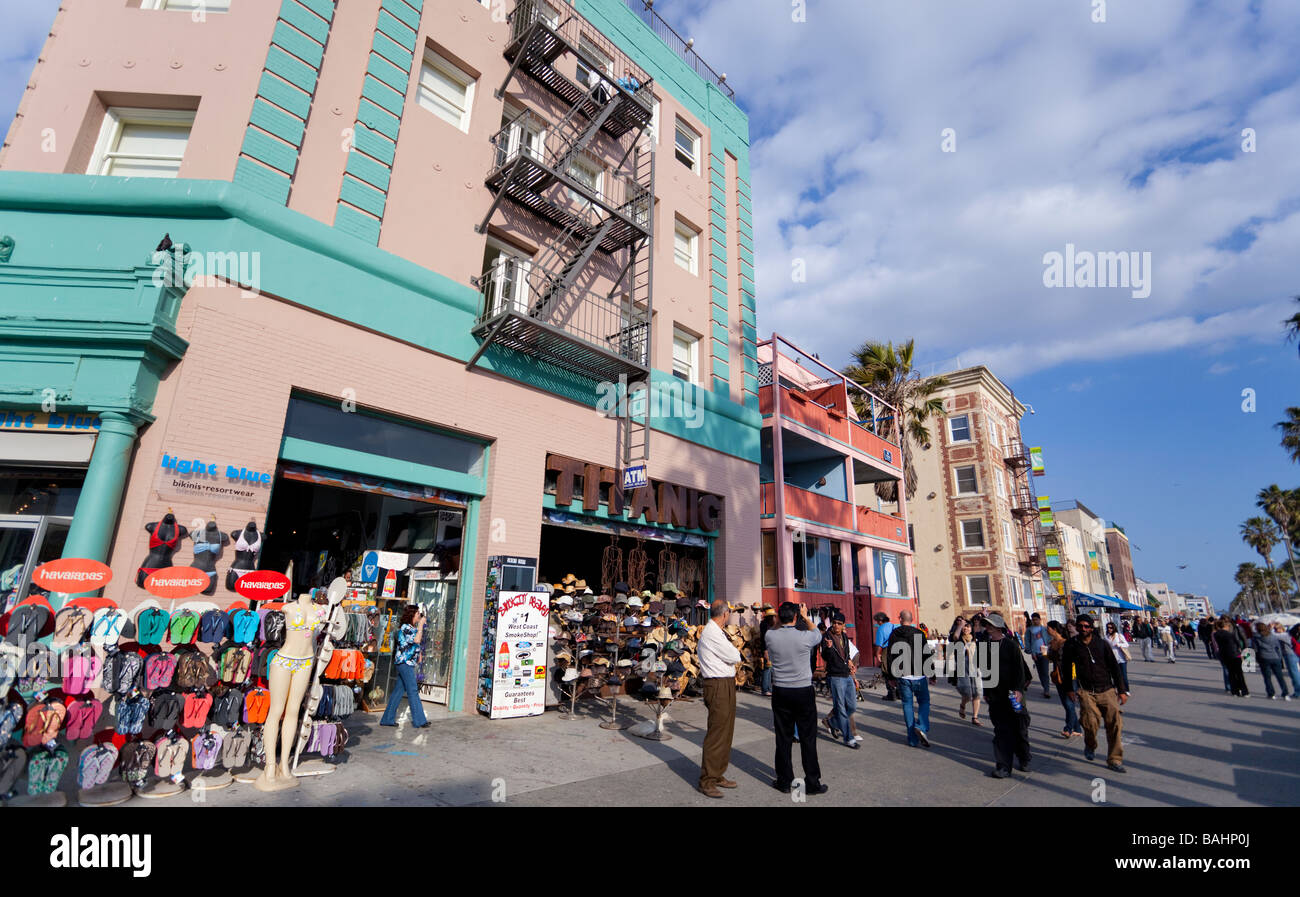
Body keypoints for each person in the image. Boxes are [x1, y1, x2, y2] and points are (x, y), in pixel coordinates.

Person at [765, 602, 829, 795]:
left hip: (781, 691)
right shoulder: (806, 637)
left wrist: (781, 618)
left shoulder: (770, 636)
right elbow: (817, 632)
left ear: (779, 617)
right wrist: (804, 616)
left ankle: (785, 781)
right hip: (803, 690)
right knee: (808, 738)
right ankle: (812, 782)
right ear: (795, 617)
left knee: (783, 738)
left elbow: (776, 627)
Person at [1061, 614, 1129, 772]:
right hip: (1086, 691)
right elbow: (1065, 668)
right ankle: (1090, 745)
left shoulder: (1102, 644)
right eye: (1080, 626)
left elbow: (1114, 667)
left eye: (1086, 626)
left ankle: (1115, 759)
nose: (1083, 629)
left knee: (1115, 724)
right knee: (1090, 724)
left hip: (1107, 689)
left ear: (1092, 628)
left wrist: (1122, 690)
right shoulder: (1072, 645)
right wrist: (1069, 689)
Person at [695, 598, 742, 798]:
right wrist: (733, 654)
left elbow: (731, 655)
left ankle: (717, 774)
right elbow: (735, 656)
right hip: (718, 684)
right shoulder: (712, 633)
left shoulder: (716, 632)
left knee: (726, 730)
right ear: (724, 614)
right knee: (717, 733)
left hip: (725, 683)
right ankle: (707, 779)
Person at [984, 613, 1030, 777]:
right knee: (1001, 731)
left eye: (990, 625)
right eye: (986, 625)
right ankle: (1003, 766)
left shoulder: (1011, 645)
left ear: (998, 627)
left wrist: (1018, 690)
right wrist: (986, 692)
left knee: (1019, 730)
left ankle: (1024, 757)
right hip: (996, 696)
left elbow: (1020, 670)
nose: (987, 628)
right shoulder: (985, 646)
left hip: (1013, 694)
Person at [885, 610, 935, 748]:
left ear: (900, 619)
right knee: (924, 702)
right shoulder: (919, 633)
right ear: (912, 619)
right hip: (919, 674)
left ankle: (912, 739)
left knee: (907, 705)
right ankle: (922, 726)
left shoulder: (894, 634)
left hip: (903, 675)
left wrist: (890, 676)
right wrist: (932, 674)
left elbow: (890, 656)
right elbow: (926, 653)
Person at [380, 605, 430, 728]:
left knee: (398, 691)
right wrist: (421, 626)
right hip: (404, 663)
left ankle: (387, 719)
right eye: (418, 613)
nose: (419, 615)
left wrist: (419, 655)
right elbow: (417, 640)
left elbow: (414, 644)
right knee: (413, 690)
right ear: (412, 615)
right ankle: (420, 721)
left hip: (407, 662)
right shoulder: (405, 627)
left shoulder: (411, 628)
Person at [820, 612, 862, 748]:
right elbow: (825, 656)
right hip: (835, 676)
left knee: (852, 706)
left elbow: (847, 655)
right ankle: (848, 738)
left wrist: (851, 665)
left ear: (843, 625)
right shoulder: (826, 637)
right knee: (841, 708)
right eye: (834, 623)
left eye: (839, 623)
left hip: (847, 675)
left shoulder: (844, 636)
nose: (836, 625)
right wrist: (829, 648)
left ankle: (833, 723)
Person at [1046, 621, 1082, 738]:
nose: (1047, 630)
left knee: (1068, 702)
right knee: (1066, 704)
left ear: (1054, 629)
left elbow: (1070, 660)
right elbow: (1051, 659)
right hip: (1058, 676)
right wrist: (1046, 652)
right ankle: (1077, 729)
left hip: (1070, 675)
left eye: (1048, 628)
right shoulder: (1052, 642)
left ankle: (1068, 728)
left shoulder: (1066, 643)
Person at [950, 619, 983, 727]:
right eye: (964, 627)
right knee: (967, 694)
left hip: (975, 668)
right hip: (963, 668)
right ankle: (963, 705)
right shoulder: (958, 639)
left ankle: (975, 717)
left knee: (977, 693)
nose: (966, 628)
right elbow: (955, 636)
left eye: (968, 626)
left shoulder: (976, 639)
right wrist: (960, 625)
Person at [1251, 622, 1292, 701]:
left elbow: (1255, 650)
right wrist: (1279, 657)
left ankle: (1271, 693)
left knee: (1267, 677)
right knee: (1280, 677)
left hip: (1264, 658)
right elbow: (1278, 647)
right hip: (1275, 657)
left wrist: (1257, 659)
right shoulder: (1272, 636)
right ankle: (1285, 694)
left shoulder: (1256, 638)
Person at [1214, 617, 1249, 697]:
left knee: (1231, 673)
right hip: (1235, 655)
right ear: (1226, 626)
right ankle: (1244, 691)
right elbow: (1237, 643)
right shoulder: (1230, 634)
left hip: (1224, 655)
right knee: (1239, 674)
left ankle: (1235, 691)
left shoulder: (1216, 634)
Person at [1024, 612, 1051, 698]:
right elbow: (1027, 641)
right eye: (1033, 620)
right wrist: (1031, 652)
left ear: (1040, 619)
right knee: (1040, 671)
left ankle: (1047, 690)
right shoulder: (1029, 630)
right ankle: (1044, 687)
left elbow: (1049, 639)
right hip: (1034, 651)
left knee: (1045, 671)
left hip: (1044, 650)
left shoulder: (1044, 629)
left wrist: (1049, 649)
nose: (1035, 621)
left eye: (1036, 619)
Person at [873, 612, 898, 701]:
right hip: (897, 649)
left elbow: (879, 644)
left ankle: (891, 694)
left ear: (880, 621)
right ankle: (900, 693)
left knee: (886, 671)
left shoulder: (881, 629)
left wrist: (877, 654)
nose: (876, 623)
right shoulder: (894, 626)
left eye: (877, 621)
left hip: (887, 650)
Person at [1105, 621, 1131, 693]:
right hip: (1112, 659)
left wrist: (1119, 644)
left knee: (1123, 675)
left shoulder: (1119, 635)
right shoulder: (1106, 637)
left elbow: (1127, 644)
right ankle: (1117, 688)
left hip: (1121, 658)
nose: (1109, 629)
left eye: (1111, 628)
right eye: (1108, 628)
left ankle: (1126, 690)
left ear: (1114, 628)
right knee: (1115, 675)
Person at [1275, 622, 1300, 696]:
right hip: (1296, 653)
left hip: (1290, 654)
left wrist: (1270, 627)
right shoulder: (1293, 635)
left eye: (1276, 628)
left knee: (1294, 673)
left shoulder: (1286, 635)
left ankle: (1298, 691)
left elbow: (1272, 635)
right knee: (1295, 673)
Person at [758, 608, 776, 696]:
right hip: (766, 649)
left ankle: (769, 688)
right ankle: (765, 689)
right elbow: (764, 639)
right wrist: (765, 651)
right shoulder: (765, 625)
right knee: (767, 668)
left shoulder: (767, 624)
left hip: (769, 649)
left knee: (769, 669)